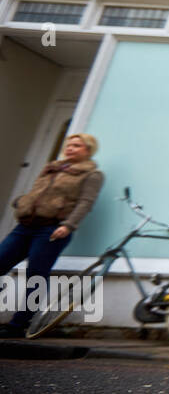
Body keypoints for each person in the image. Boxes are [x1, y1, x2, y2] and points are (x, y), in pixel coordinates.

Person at [0, 134, 104, 336]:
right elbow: (37, 192)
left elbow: (86, 202)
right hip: (25, 226)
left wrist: (69, 225)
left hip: (52, 229)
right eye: (69, 145)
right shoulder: (52, 167)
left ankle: (18, 325)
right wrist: (23, 203)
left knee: (36, 276)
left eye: (77, 145)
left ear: (88, 150)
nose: (71, 148)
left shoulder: (92, 174)